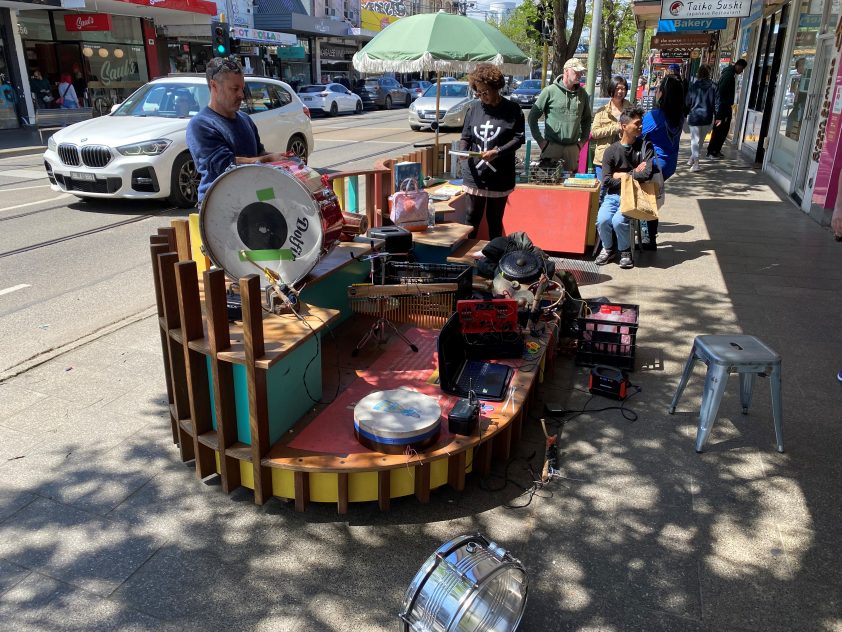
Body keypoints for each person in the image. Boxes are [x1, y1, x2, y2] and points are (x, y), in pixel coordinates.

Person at [187, 58, 289, 205]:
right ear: (214, 86)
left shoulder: (245, 119)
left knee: (286, 200)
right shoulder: (201, 125)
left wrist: (283, 159)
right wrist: (267, 159)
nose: (241, 95)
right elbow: (225, 166)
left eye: (242, 88)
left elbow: (258, 153)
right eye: (234, 89)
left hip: (253, 196)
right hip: (221, 205)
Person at [457, 63, 525, 240]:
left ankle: (494, 260)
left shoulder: (513, 110)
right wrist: (463, 152)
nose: (481, 96)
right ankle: (468, 259)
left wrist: (498, 151)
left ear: (496, 88)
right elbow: (465, 137)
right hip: (475, 174)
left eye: (485, 92)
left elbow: (519, 138)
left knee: (494, 221)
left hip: (500, 175)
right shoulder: (473, 109)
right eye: (478, 92)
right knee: (471, 218)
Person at [594, 106, 658, 270]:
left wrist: (621, 175)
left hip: (636, 195)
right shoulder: (611, 151)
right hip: (613, 196)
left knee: (618, 220)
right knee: (602, 220)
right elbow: (607, 181)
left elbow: (647, 174)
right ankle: (608, 248)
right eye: (637, 124)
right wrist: (633, 173)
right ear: (624, 126)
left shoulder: (645, 147)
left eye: (640, 123)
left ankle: (625, 251)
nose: (640, 126)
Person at [641, 74, 684, 250]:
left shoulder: (656, 116)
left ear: (663, 93)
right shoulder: (679, 116)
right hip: (669, 164)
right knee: (652, 199)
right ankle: (650, 237)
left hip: (654, 165)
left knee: (647, 201)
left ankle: (648, 239)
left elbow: (636, 133)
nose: (656, 91)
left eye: (658, 89)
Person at [528, 58, 592, 173]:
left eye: (581, 72)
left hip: (573, 148)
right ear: (566, 71)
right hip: (551, 146)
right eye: (576, 72)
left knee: (570, 185)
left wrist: (582, 142)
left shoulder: (582, 94)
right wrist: (541, 142)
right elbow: (532, 117)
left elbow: (587, 119)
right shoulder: (549, 91)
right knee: (548, 182)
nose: (580, 75)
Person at [591, 76, 630, 187]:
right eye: (617, 88)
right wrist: (615, 128)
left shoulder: (631, 109)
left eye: (623, 88)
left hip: (624, 158)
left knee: (622, 189)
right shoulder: (602, 111)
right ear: (611, 89)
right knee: (602, 190)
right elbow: (594, 133)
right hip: (602, 159)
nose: (620, 91)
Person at [706, 58, 747, 159]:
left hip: (723, 106)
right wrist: (722, 107)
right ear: (739, 66)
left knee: (723, 129)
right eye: (742, 69)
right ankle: (712, 151)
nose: (741, 72)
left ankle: (716, 150)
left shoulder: (729, 74)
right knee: (720, 129)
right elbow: (722, 91)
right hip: (722, 108)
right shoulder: (729, 75)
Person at [685, 65, 717, 172]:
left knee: (695, 140)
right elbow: (717, 103)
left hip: (695, 116)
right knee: (701, 140)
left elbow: (688, 102)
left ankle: (696, 163)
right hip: (707, 117)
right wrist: (718, 116)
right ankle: (692, 158)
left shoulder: (694, 86)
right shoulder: (713, 86)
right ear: (708, 74)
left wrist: (686, 112)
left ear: (698, 73)